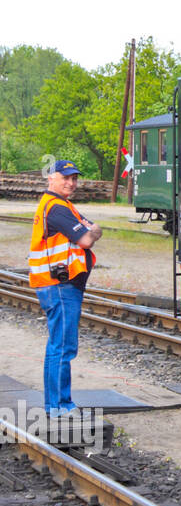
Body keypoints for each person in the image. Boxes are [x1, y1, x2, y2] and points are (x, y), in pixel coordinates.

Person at [28, 161, 102, 417]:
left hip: (59, 284)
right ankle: (60, 406)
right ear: (51, 178)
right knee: (62, 346)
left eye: (74, 179)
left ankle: (58, 404)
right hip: (60, 284)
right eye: (65, 178)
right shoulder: (57, 208)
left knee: (59, 344)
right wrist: (90, 232)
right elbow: (86, 237)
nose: (70, 183)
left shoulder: (62, 206)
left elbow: (91, 228)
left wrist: (91, 230)